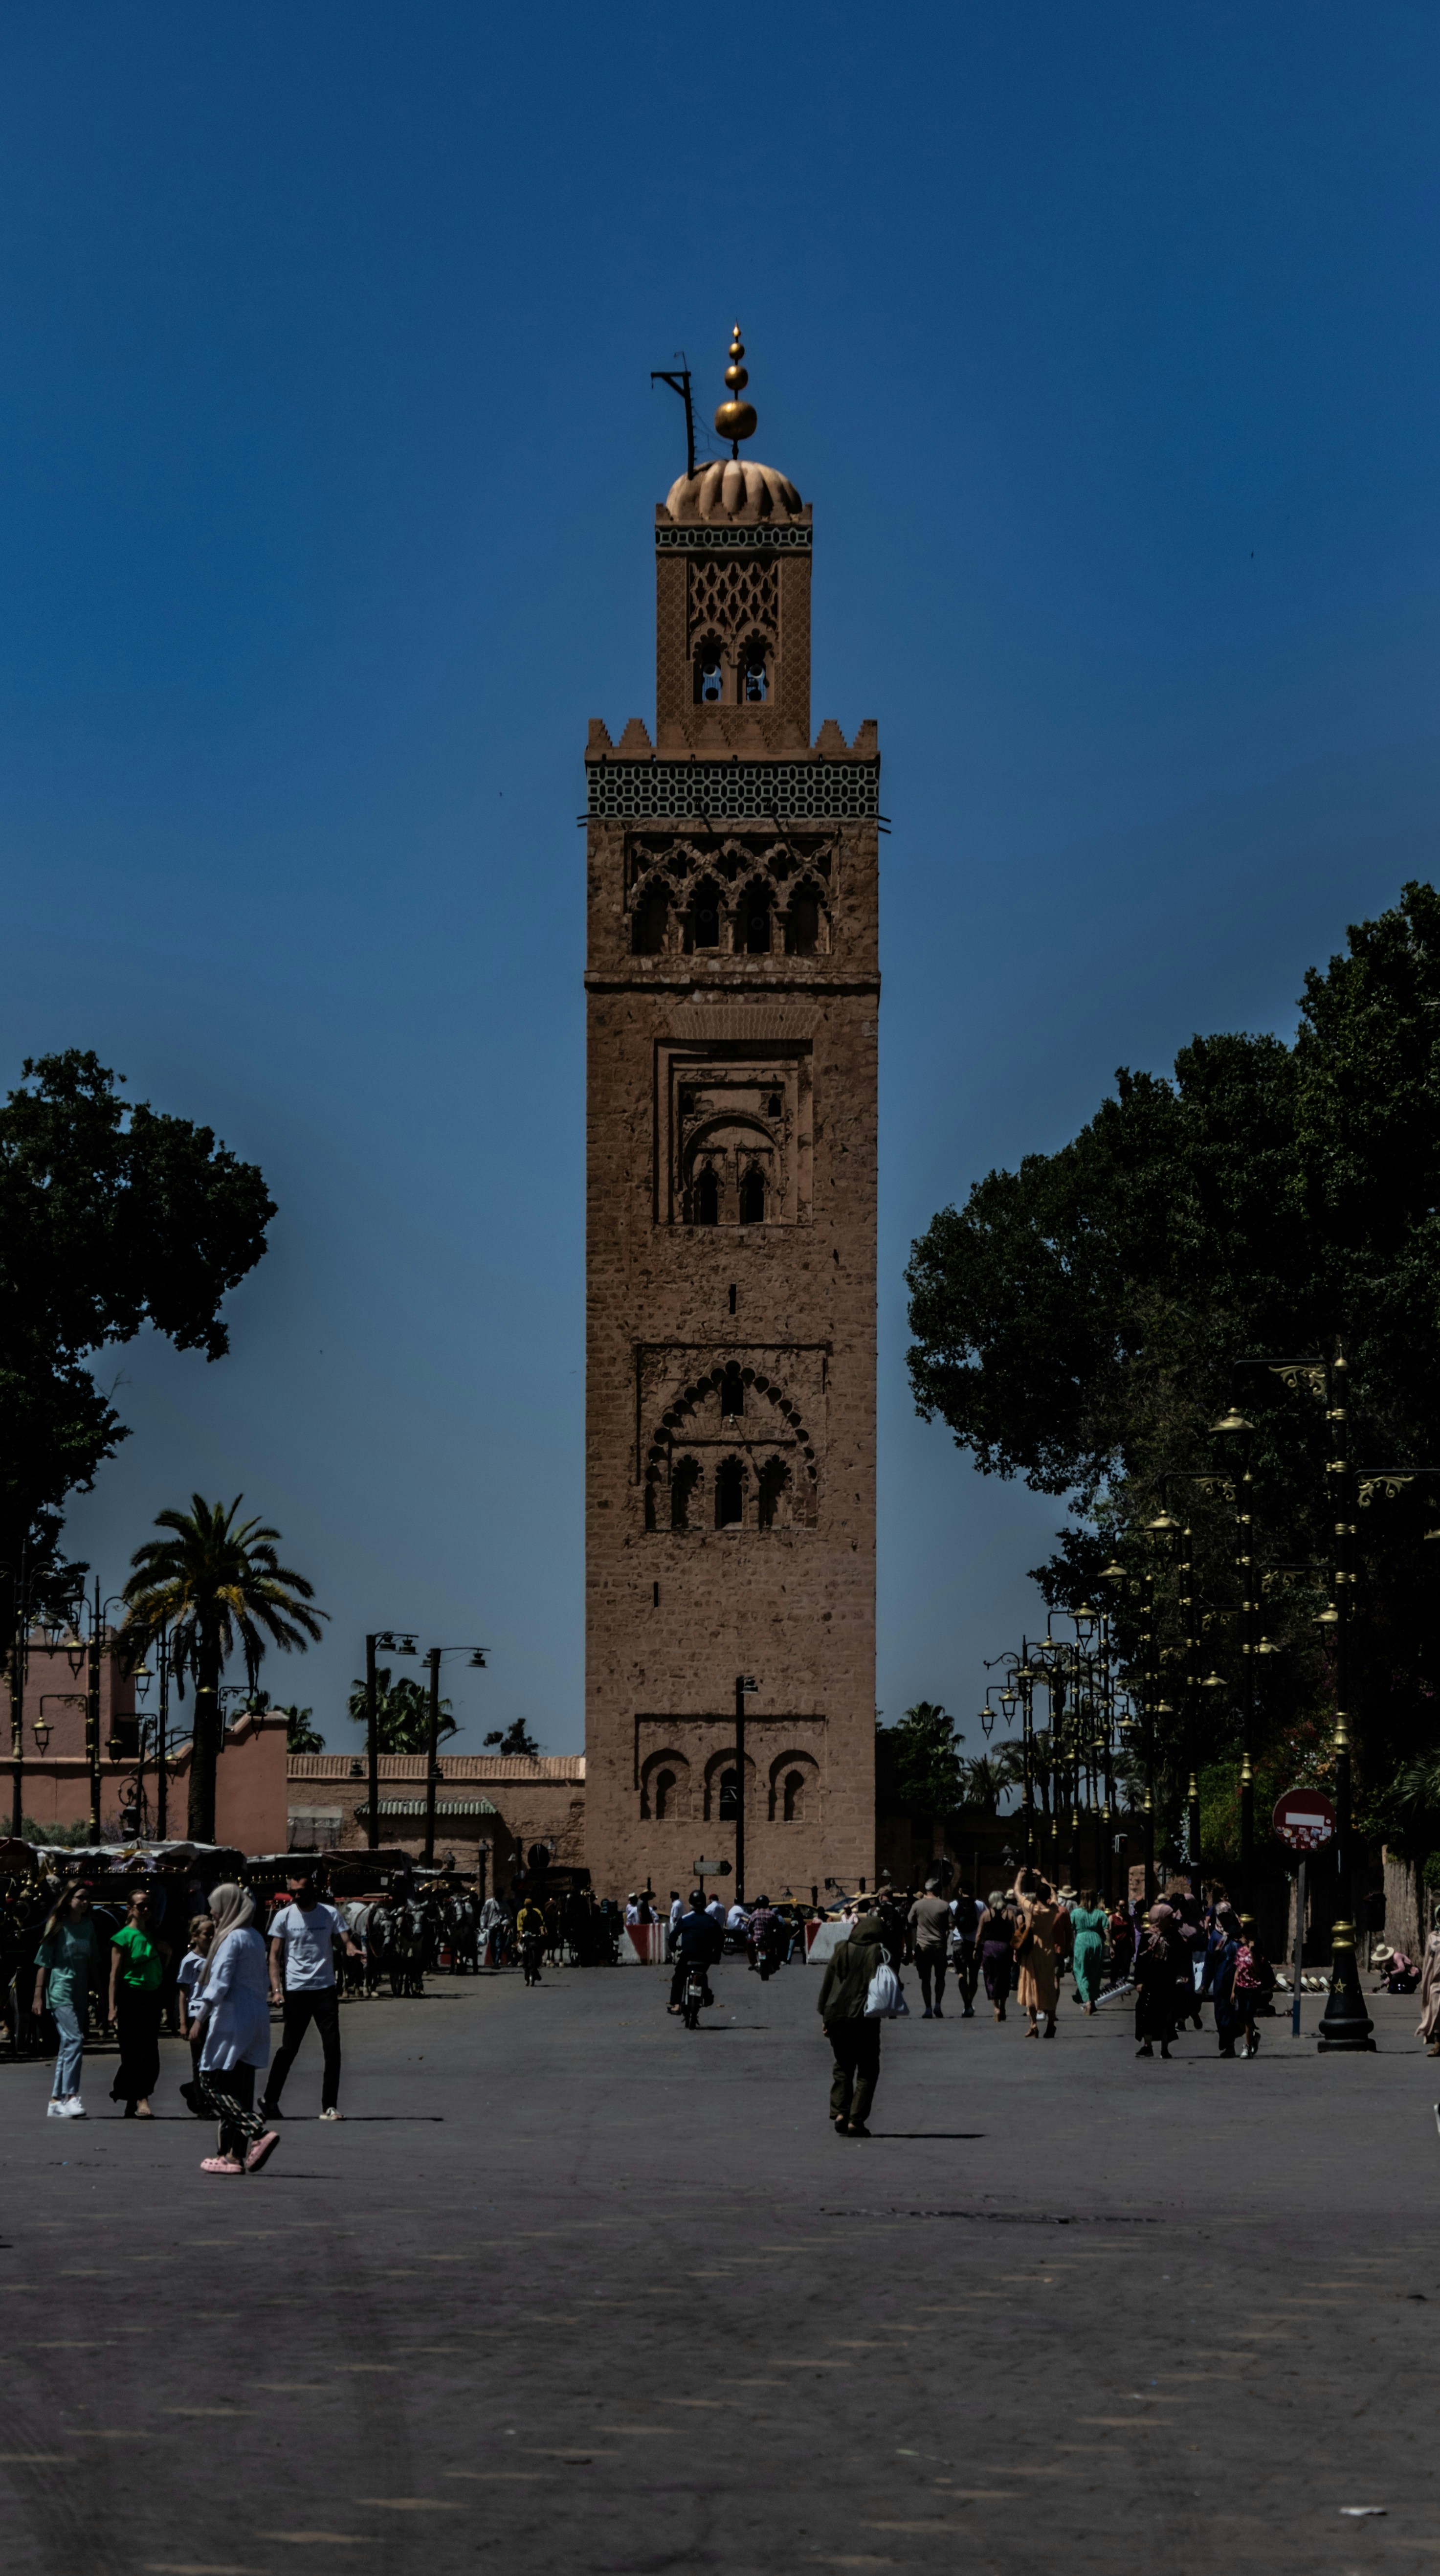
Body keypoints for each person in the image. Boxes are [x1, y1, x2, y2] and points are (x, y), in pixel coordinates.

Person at [188, 1882, 279, 2176]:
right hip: (256, 2016)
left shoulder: (231, 1939)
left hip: (233, 2017)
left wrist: (199, 2018)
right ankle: (234, 2156)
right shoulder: (254, 1936)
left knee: (210, 2082)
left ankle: (258, 2132)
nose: (213, 1916)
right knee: (239, 2088)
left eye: (215, 1910)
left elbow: (219, 1983)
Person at [259, 1870, 361, 2123]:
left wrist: (350, 1948)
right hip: (296, 1991)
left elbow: (345, 1938)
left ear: (313, 1890)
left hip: (325, 1989)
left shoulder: (329, 1913)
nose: (296, 1897)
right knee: (289, 2049)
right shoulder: (284, 1916)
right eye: (292, 1892)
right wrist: (276, 1990)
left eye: (301, 1892)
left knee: (333, 2049)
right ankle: (269, 2100)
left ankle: (330, 2106)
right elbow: (274, 1957)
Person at [32, 1884, 105, 2120]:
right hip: (60, 1991)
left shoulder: (88, 1926)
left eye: (88, 1898)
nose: (85, 1902)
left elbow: (93, 1962)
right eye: (80, 1897)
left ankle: (56, 2101)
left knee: (67, 2046)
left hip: (80, 1993)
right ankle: (72, 2096)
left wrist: (101, 1993)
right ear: (69, 1899)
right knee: (75, 2040)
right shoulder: (58, 1925)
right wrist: (38, 1995)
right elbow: (44, 1963)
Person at [817, 1910, 888, 2137]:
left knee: (843, 2065)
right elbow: (880, 1984)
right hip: (861, 2017)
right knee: (868, 2068)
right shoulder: (876, 1951)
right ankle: (856, 2120)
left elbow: (828, 1983)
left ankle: (841, 2112)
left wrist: (824, 2017)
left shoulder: (841, 1947)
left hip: (835, 2014)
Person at [108, 1887, 172, 2118]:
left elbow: (159, 1967)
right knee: (133, 2050)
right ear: (130, 1909)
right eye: (141, 1906)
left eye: (148, 1906)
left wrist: (169, 1954)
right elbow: (114, 1976)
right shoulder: (123, 1937)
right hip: (131, 1996)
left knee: (149, 2049)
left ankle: (134, 2095)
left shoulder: (154, 1935)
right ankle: (139, 2097)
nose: (146, 1910)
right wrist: (111, 2008)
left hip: (152, 1995)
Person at [1012, 1869, 1063, 2039]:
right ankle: (1051, 2024)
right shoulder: (1053, 1909)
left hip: (1032, 1950)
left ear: (1036, 1895)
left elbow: (1017, 1892)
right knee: (1048, 1987)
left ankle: (1033, 2025)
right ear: (1048, 1897)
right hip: (1047, 1951)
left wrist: (1020, 1876)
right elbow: (1054, 1895)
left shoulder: (1030, 1908)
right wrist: (1042, 1877)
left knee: (1031, 1986)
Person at [177, 1913, 216, 2115]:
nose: (211, 1938)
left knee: (215, 2059)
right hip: (196, 2013)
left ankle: (194, 2088)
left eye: (213, 1933)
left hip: (215, 2013)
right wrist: (183, 2022)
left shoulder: (219, 1957)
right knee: (199, 2061)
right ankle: (202, 2104)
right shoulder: (190, 1961)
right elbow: (183, 1993)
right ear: (195, 1936)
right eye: (207, 1934)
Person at [1134, 1902, 1180, 2059]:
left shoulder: (1173, 1935)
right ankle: (1148, 2046)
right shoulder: (1147, 1937)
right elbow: (1140, 1961)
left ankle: (1165, 2049)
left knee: (1166, 2017)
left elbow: (1182, 1956)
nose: (1170, 1920)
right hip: (1150, 1983)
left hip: (1167, 1982)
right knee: (1147, 2014)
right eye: (1168, 1917)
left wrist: (1183, 1974)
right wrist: (1139, 1981)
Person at [667, 1890, 723, 2013]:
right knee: (703, 1974)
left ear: (691, 1903)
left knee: (678, 1978)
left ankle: (676, 2005)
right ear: (704, 1904)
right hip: (705, 1959)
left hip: (687, 1957)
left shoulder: (685, 1919)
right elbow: (720, 1939)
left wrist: (673, 1948)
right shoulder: (711, 1921)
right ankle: (706, 1994)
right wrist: (717, 1955)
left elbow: (673, 1936)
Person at [908, 1876, 953, 2019]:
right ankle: (938, 2005)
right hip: (939, 1945)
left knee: (925, 1979)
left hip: (923, 1946)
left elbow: (910, 1921)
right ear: (937, 1889)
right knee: (940, 1977)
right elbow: (951, 1924)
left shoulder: (917, 1905)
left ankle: (928, 2008)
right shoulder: (944, 1905)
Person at [976, 1888, 1017, 2020]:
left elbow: (979, 1934)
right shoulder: (1010, 1914)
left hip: (989, 1948)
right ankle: (1003, 2007)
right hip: (1005, 1948)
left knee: (990, 1977)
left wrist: (976, 1948)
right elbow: (1016, 1934)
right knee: (1004, 1977)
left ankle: (996, 2008)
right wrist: (1016, 1950)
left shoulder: (986, 1914)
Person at [1069, 1890, 1108, 2015]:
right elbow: (1106, 1930)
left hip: (1082, 1941)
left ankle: (1087, 2001)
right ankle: (1091, 1998)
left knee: (1081, 1971)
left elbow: (1070, 1929)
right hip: (1097, 1941)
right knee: (1095, 1972)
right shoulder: (1100, 1913)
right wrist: (1111, 1946)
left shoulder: (1076, 1913)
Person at [949, 1888, 981, 2016]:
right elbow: (984, 1923)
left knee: (961, 1973)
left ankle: (967, 2004)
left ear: (960, 1891)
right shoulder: (979, 1904)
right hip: (975, 1942)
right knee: (974, 1975)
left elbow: (950, 1925)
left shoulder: (953, 1905)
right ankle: (969, 2004)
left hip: (959, 1941)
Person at [516, 1894, 546, 1985]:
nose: (528, 1908)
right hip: (525, 1936)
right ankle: (523, 1964)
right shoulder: (521, 1913)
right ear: (525, 1906)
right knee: (524, 1951)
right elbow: (520, 1927)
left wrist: (542, 1931)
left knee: (539, 1951)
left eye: (530, 1906)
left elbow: (541, 1923)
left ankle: (537, 1965)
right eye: (527, 1907)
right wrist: (522, 1935)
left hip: (535, 1936)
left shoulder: (537, 1912)